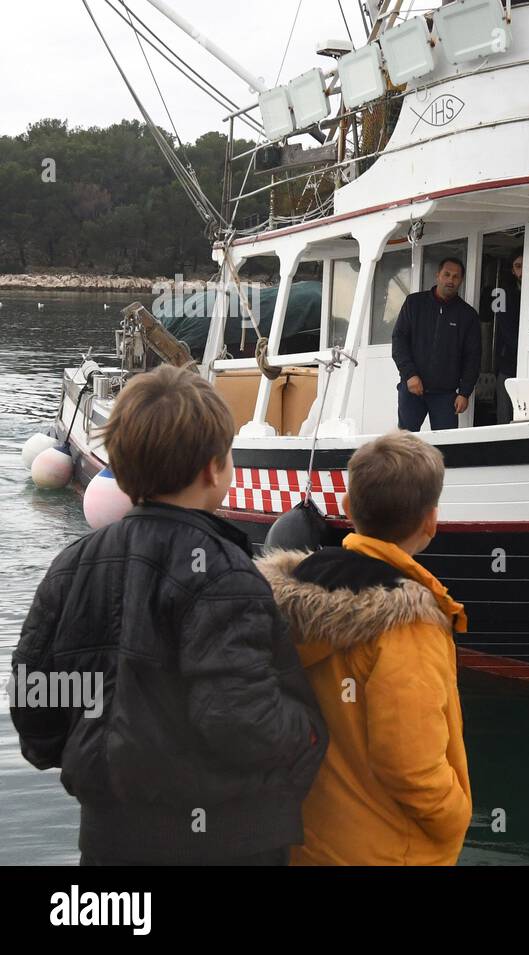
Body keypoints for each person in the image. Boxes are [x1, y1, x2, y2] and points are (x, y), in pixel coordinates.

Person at [10, 365, 327, 865]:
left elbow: (37, 711)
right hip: (228, 844)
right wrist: (309, 730)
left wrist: (90, 750)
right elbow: (238, 719)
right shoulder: (227, 574)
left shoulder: (69, 568)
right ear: (213, 469)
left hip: (109, 841)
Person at [257, 431, 472, 866]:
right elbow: (410, 765)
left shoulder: (287, 595)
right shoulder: (411, 623)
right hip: (388, 851)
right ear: (431, 520)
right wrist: (457, 816)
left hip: (307, 840)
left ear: (348, 508)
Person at [392, 256, 482, 431]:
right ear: (438, 276)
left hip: (445, 395)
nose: (450, 280)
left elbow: (473, 357)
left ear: (461, 280)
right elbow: (399, 340)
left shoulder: (468, 315)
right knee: (404, 445)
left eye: (456, 277)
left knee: (446, 449)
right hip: (412, 389)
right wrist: (410, 374)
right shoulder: (414, 303)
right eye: (447, 274)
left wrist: (464, 392)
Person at [492, 252, 523, 424]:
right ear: (512, 270)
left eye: (526, 265)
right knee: (505, 414)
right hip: (508, 363)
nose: (522, 271)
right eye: (518, 266)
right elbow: (505, 327)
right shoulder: (502, 293)